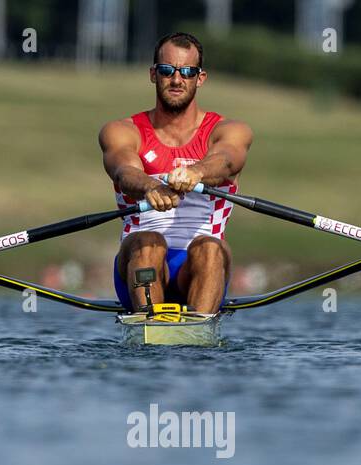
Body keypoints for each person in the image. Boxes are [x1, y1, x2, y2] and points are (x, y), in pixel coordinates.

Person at [98, 31, 253, 314]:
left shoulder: (230, 130)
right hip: (139, 264)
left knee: (209, 248)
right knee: (148, 243)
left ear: (200, 78)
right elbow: (123, 171)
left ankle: (199, 325)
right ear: (153, 74)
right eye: (167, 70)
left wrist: (196, 172)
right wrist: (149, 187)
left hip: (203, 268)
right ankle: (150, 324)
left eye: (187, 72)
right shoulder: (122, 131)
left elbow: (227, 161)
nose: (177, 80)